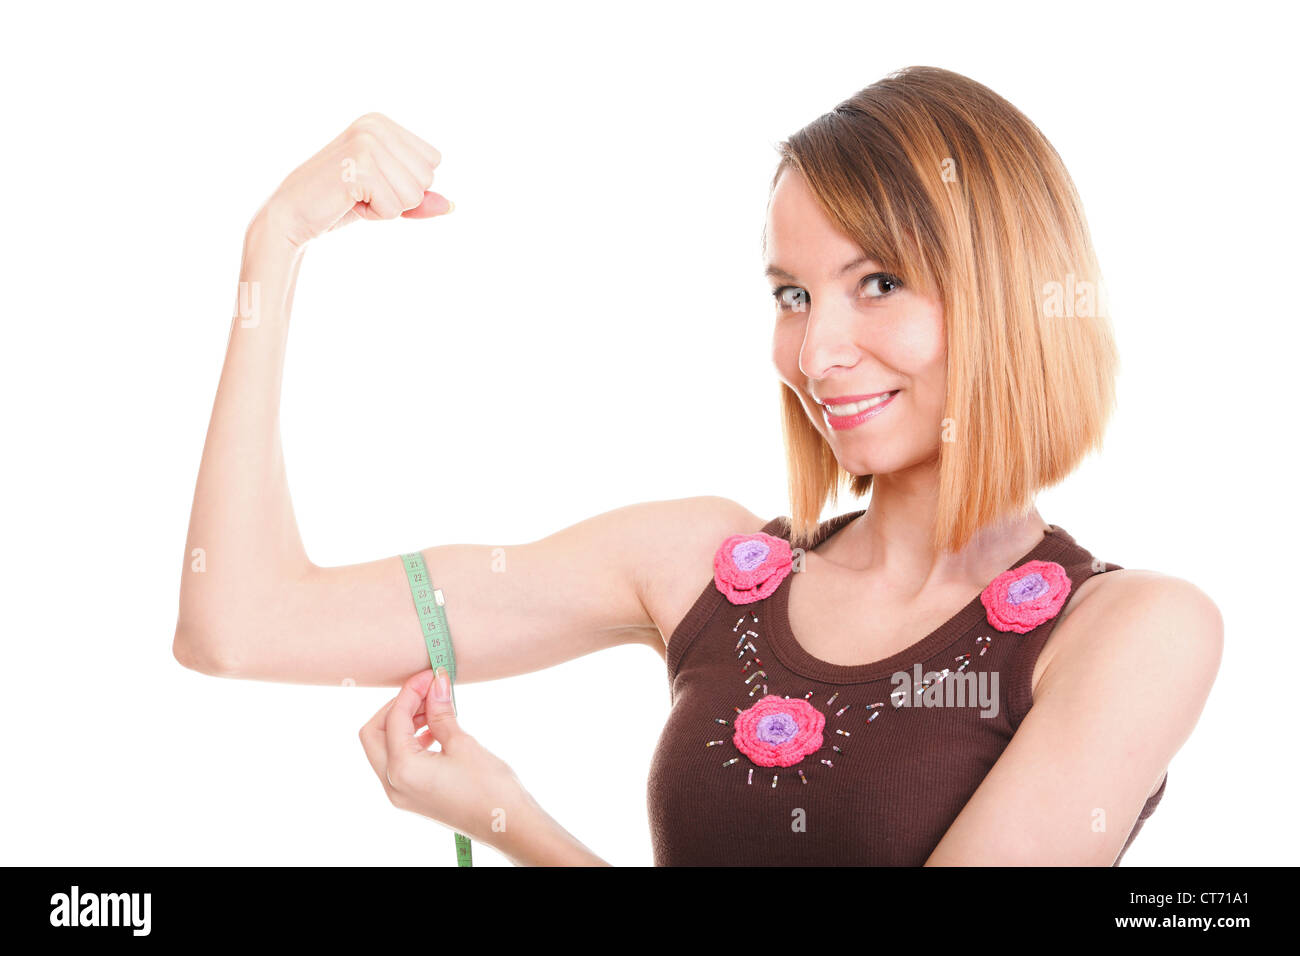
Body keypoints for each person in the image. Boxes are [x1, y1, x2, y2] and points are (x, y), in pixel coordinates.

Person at [174, 66, 1222, 866]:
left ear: (1008, 295)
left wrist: (519, 826)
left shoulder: (1129, 633)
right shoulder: (695, 562)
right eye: (793, 294)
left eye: (878, 282)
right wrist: (276, 245)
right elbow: (242, 623)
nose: (815, 355)